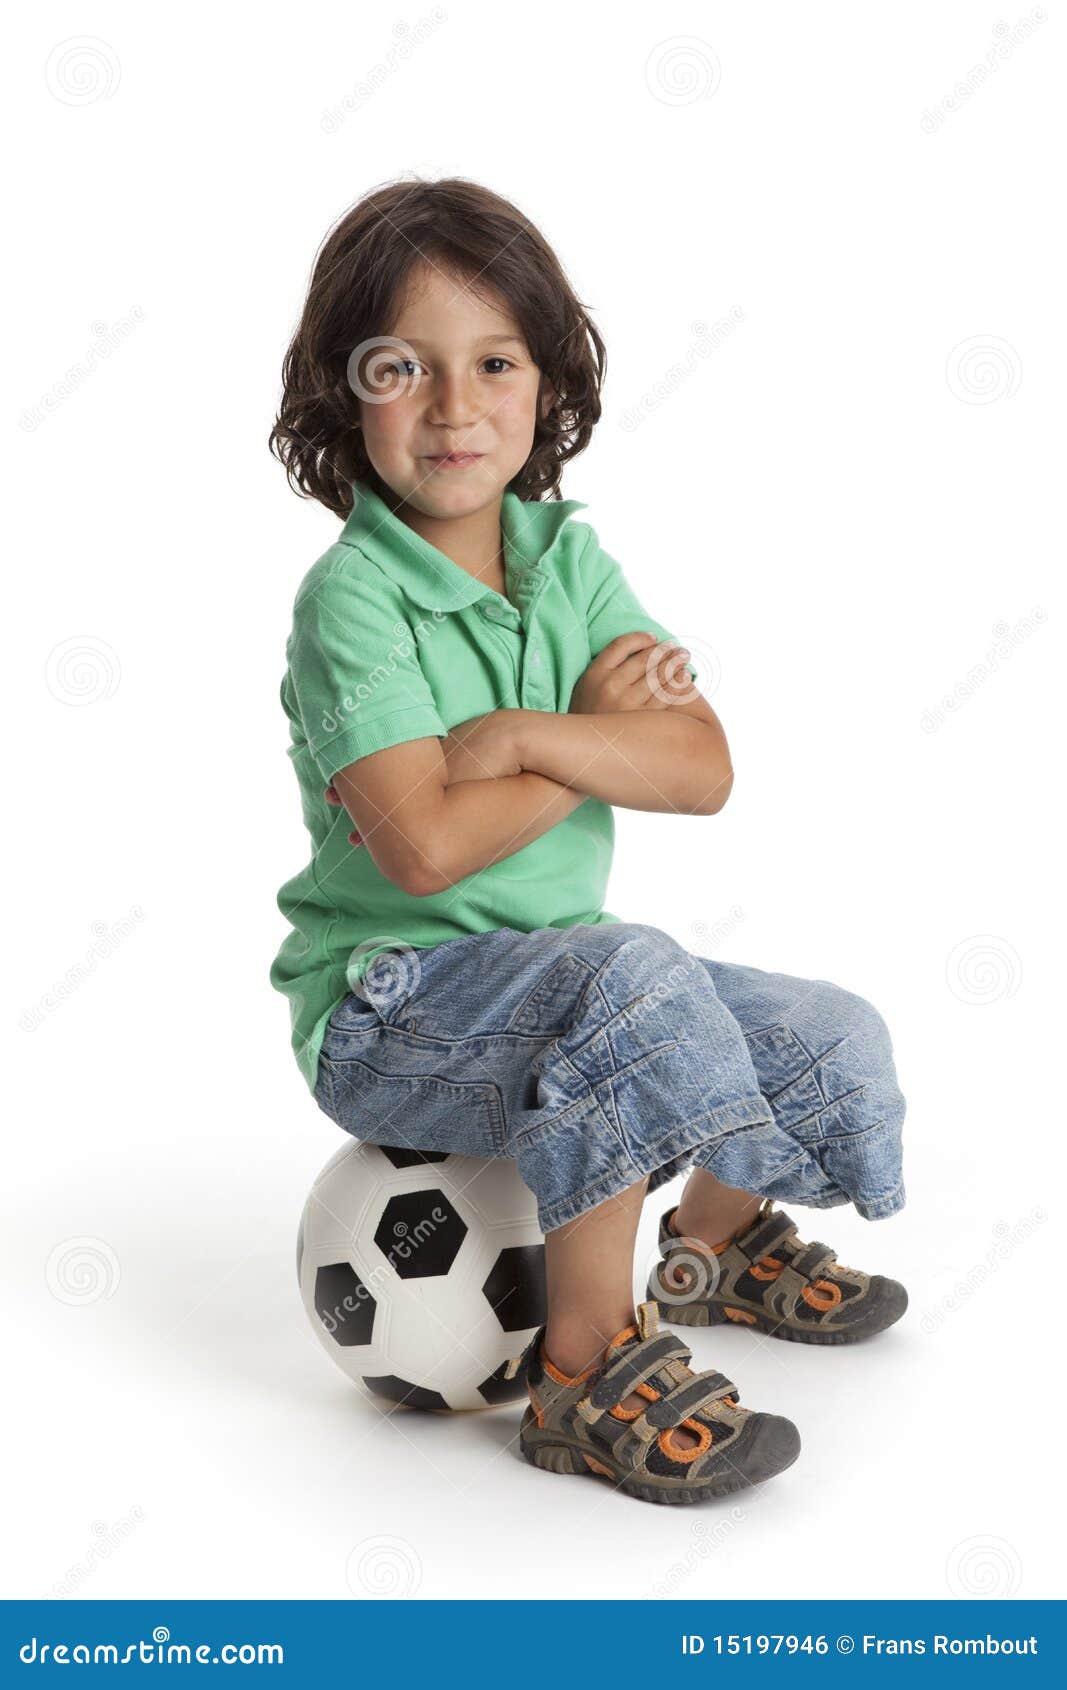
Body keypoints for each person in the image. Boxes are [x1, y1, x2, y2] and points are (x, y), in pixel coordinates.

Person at [269, 176, 907, 1504]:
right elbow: (424, 849)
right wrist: (581, 736)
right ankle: (581, 1368)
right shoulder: (355, 601)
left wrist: (521, 738)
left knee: (822, 1027)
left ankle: (712, 1248)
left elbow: (702, 764)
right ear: (347, 394)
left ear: (546, 384)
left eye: (494, 362)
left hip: (555, 976)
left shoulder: (569, 564)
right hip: (395, 1010)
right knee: (631, 974)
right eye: (405, 368)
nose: (455, 406)